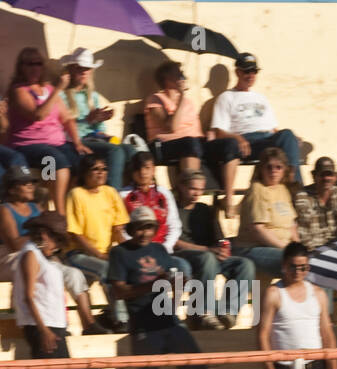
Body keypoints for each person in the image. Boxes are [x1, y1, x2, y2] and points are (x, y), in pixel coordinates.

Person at [108, 206, 208, 369]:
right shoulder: (119, 252)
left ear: (155, 229)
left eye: (148, 227)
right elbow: (119, 291)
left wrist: (180, 283)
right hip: (143, 326)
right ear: (130, 230)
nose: (144, 232)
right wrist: (155, 284)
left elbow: (167, 277)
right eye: (139, 227)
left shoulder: (159, 249)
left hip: (169, 321)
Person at [1, 164, 96, 332]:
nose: (31, 185)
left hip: (38, 256)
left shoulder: (35, 207)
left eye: (31, 182)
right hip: (10, 258)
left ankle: (89, 323)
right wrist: (42, 234)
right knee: (47, 272)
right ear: (11, 189)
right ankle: (50, 324)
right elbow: (14, 244)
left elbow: (48, 236)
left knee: (73, 274)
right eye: (25, 183)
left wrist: (47, 236)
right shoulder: (5, 210)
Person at [206, 53, 302, 216]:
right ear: (237, 72)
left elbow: (274, 130)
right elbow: (218, 131)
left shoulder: (261, 98)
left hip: (267, 139)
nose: (250, 75)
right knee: (282, 140)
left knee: (288, 135)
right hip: (246, 141)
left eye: (254, 72)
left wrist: (291, 139)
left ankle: (297, 191)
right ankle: (230, 202)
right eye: (246, 71)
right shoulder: (226, 97)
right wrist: (238, 138)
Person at [13, 211, 79, 369]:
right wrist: (43, 331)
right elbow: (29, 296)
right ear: (44, 234)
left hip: (56, 326)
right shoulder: (31, 254)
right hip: (42, 326)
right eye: (56, 239)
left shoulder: (46, 258)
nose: (57, 245)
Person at [171, 170, 255, 330]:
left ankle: (229, 312)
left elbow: (221, 238)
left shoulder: (205, 209)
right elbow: (173, 242)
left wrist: (224, 250)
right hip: (183, 255)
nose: (197, 193)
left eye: (200, 189)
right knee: (207, 258)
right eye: (193, 189)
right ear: (181, 186)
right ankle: (203, 312)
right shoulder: (172, 209)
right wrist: (207, 249)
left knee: (244, 264)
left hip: (209, 255)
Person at [257, 242, 336, 369]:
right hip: (284, 367)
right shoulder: (273, 293)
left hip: (316, 366)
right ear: (284, 265)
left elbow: (327, 333)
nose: (298, 272)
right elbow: (262, 335)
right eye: (293, 266)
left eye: (303, 267)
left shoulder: (318, 293)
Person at [6, 48, 77, 215]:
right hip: (29, 144)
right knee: (54, 161)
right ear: (21, 67)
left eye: (38, 63)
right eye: (29, 64)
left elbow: (66, 119)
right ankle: (59, 215)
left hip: (56, 143)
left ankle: (72, 211)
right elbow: (38, 115)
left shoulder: (49, 89)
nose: (34, 67)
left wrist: (78, 142)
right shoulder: (18, 90)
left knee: (83, 160)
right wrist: (59, 89)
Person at [65, 153, 129, 328]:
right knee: (108, 269)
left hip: (105, 253)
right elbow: (76, 234)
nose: (101, 173)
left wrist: (129, 253)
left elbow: (118, 229)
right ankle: (121, 319)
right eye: (96, 169)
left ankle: (113, 314)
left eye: (104, 169)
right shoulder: (76, 194)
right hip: (78, 253)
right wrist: (100, 255)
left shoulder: (110, 192)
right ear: (85, 173)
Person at [59, 48, 127, 191]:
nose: (84, 72)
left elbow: (98, 129)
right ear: (71, 69)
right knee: (115, 152)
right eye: (80, 68)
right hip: (74, 141)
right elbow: (61, 126)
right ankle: (113, 196)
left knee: (129, 149)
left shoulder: (92, 96)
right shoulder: (61, 95)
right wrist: (87, 121)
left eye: (87, 69)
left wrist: (100, 121)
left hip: (93, 139)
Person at [235, 147, 298, 275]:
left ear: (284, 170)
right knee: (297, 264)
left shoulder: (282, 189)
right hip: (254, 247)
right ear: (261, 169)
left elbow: (291, 225)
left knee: (315, 263)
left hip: (280, 248)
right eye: (268, 167)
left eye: (278, 167)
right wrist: (286, 248)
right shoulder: (257, 189)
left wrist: (298, 247)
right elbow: (258, 230)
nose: (273, 171)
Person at [144, 60, 205, 189]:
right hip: (165, 145)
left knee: (223, 146)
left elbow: (196, 131)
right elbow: (171, 127)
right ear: (167, 78)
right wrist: (182, 95)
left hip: (192, 143)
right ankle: (189, 189)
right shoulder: (155, 100)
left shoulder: (188, 102)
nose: (182, 76)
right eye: (178, 74)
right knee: (191, 144)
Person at [119, 152, 182, 260]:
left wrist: (165, 247)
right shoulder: (123, 195)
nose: (142, 172)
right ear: (132, 171)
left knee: (181, 268)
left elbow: (174, 225)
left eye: (147, 168)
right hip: (136, 252)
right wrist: (136, 248)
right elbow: (122, 229)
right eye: (138, 169)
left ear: (153, 170)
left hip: (164, 250)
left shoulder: (164, 193)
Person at [293, 156, 337, 251]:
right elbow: (304, 235)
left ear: (335, 177)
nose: (326, 178)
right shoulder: (302, 198)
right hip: (311, 251)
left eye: (329, 174)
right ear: (314, 176)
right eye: (322, 174)